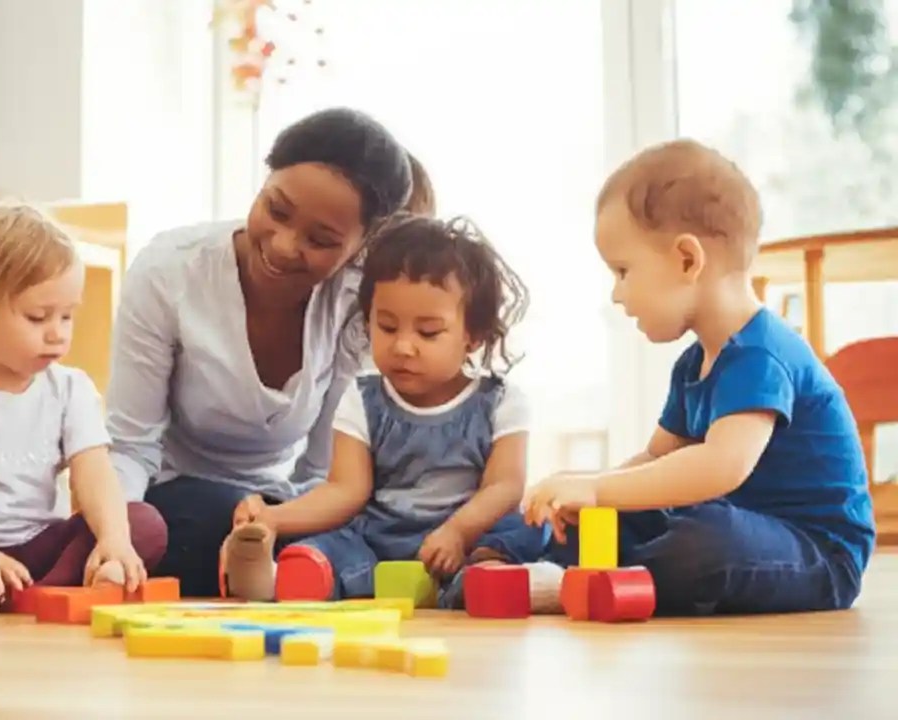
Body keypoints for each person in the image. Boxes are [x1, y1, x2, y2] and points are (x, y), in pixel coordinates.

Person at [521, 138, 875, 615]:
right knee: (612, 515)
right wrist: (590, 492)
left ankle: (580, 582)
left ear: (688, 259)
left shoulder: (760, 354)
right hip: (746, 528)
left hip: (816, 553)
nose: (617, 295)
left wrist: (599, 489)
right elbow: (655, 458)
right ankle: (533, 567)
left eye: (623, 271)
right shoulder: (694, 363)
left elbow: (719, 466)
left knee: (702, 539)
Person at [104, 107, 414, 596]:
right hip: (177, 494)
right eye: (277, 209)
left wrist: (281, 517)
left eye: (321, 240)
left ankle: (290, 565)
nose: (285, 246)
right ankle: (288, 569)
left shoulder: (360, 302)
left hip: (285, 504)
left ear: (360, 245)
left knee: (371, 530)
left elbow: (326, 472)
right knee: (206, 523)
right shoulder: (170, 271)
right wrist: (113, 539)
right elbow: (129, 445)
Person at [221, 214, 554, 608]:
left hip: (469, 534)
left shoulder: (501, 401)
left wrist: (458, 533)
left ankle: (488, 577)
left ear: (472, 336)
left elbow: (504, 486)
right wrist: (275, 519)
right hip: (380, 540)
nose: (403, 346)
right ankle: (284, 578)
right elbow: (346, 490)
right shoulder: (362, 398)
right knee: (328, 548)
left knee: (531, 527)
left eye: (428, 332)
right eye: (387, 326)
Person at [0, 204, 166, 596]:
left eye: (67, 316)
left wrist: (114, 539)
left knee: (143, 523)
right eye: (39, 317)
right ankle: (11, 585)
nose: (57, 334)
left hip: (43, 543)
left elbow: (93, 471)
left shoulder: (70, 388)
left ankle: (28, 591)